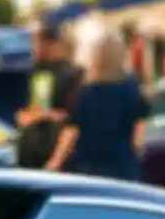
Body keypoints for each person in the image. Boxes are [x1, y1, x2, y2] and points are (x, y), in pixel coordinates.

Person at [46, 33, 148, 181]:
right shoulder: (131, 89)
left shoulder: (84, 92)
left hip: (88, 166)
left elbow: (71, 131)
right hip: (122, 166)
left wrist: (54, 163)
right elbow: (140, 132)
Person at [15, 26, 81, 171]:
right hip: (29, 155)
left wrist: (55, 162)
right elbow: (22, 116)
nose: (33, 49)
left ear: (51, 44)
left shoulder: (71, 75)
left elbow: (71, 124)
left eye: (36, 43)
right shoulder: (33, 73)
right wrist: (46, 114)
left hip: (55, 156)